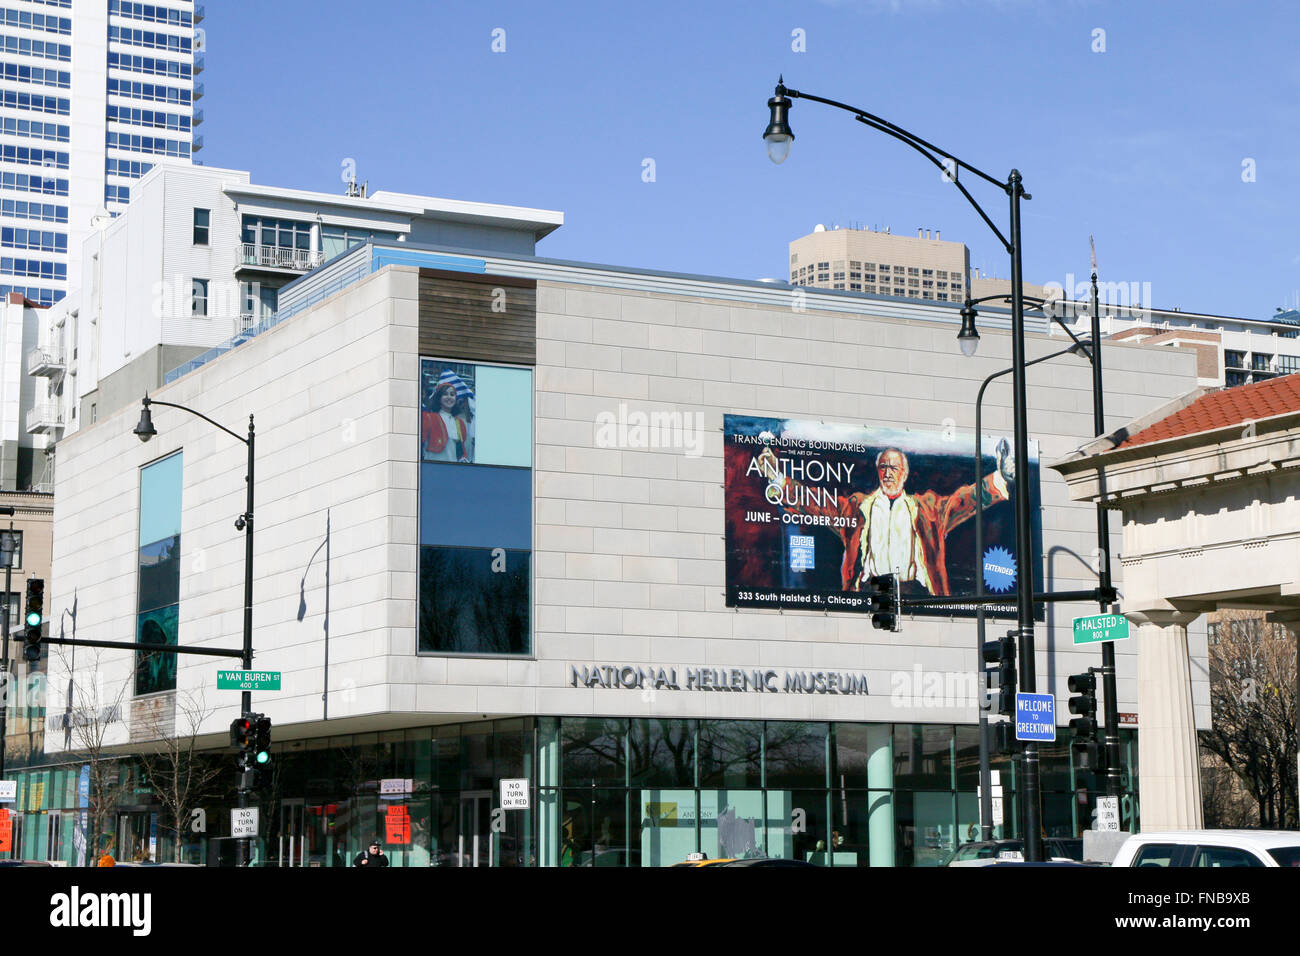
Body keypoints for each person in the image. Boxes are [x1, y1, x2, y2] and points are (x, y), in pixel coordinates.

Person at [757, 438, 1014, 596]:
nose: (888, 473)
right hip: (872, 594)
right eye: (884, 467)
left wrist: (1000, 478)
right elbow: (819, 505)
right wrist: (778, 479)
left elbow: (965, 500)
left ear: (905, 474)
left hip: (915, 594)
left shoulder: (926, 508)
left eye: (895, 468)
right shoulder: (859, 508)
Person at [421, 381, 469, 463]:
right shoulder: (428, 417)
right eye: (445, 394)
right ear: (439, 398)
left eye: (452, 394)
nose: (449, 397)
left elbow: (460, 450)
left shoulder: (459, 423)